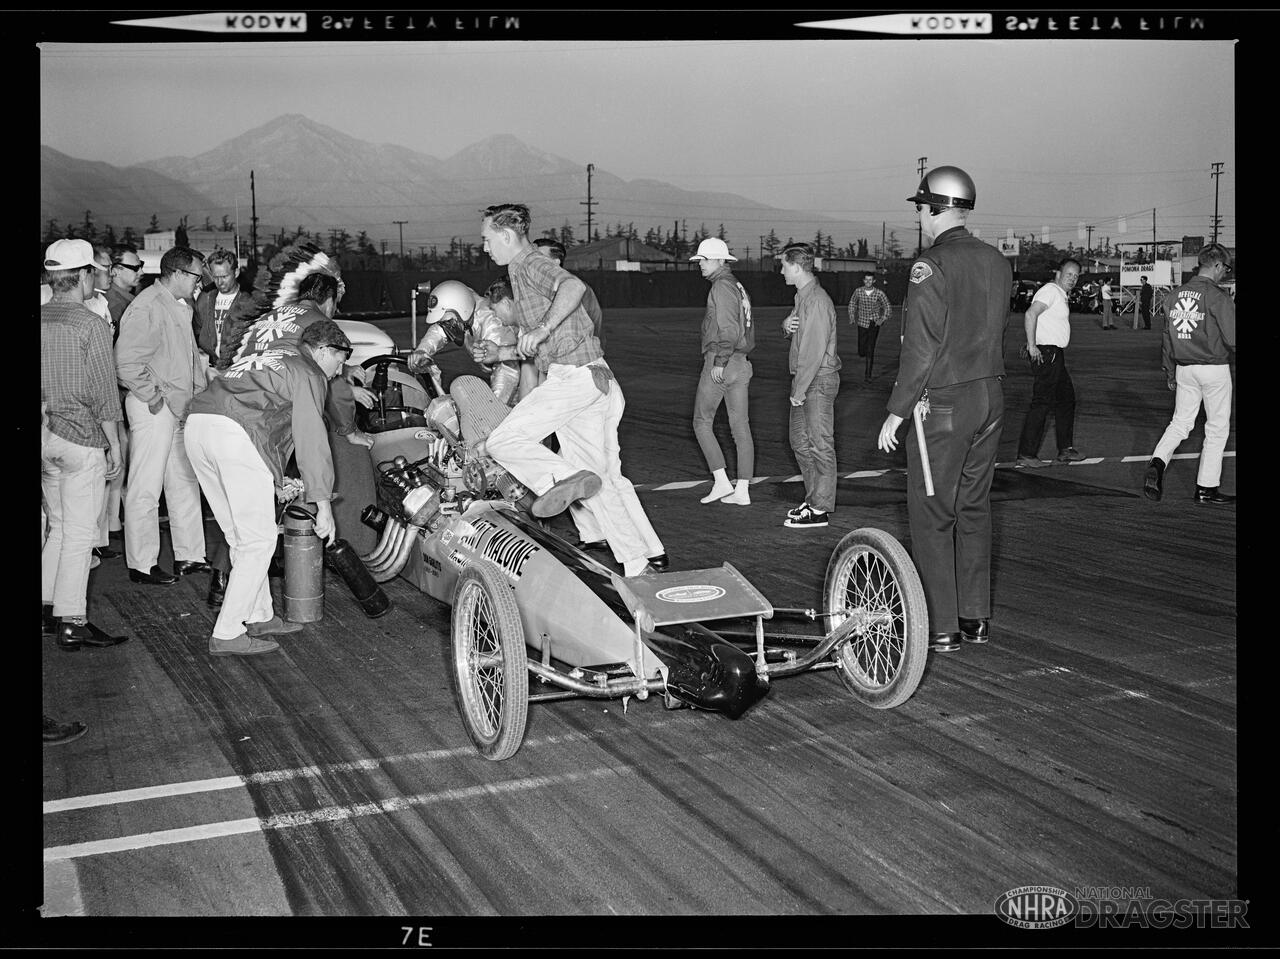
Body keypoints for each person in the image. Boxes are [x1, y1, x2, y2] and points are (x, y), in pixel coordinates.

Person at [477, 202, 661, 578]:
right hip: (593, 377)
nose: (484, 247)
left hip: (575, 379)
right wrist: (505, 351)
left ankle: (558, 478)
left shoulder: (529, 263)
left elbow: (572, 285)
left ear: (506, 235)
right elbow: (554, 341)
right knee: (597, 478)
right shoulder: (520, 270)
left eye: (487, 238)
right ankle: (638, 564)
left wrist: (541, 329)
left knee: (503, 441)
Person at [876, 165, 1011, 654]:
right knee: (974, 506)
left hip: (946, 402)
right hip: (990, 395)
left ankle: (941, 625)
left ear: (937, 209)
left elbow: (921, 346)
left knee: (932, 511)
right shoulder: (997, 261)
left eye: (921, 208)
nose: (919, 216)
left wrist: (898, 409)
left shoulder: (930, 266)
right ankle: (975, 618)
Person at [185, 319, 351, 656]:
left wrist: (274, 479)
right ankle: (227, 632)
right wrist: (323, 505)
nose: (340, 370)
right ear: (320, 351)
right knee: (259, 541)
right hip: (234, 433)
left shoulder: (271, 357)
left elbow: (271, 427)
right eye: (339, 359)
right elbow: (310, 439)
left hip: (197, 426)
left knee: (240, 536)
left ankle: (259, 614)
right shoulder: (309, 372)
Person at [236, 270, 378, 555]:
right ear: (329, 300)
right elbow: (328, 385)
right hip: (272, 416)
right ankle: (290, 554)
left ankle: (222, 575)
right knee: (295, 483)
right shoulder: (320, 322)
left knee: (250, 503)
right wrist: (349, 431)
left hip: (237, 403)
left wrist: (346, 369)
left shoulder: (273, 316)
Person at [40, 239, 129, 651]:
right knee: (79, 533)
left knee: (57, 527)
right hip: (80, 437)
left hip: (44, 436)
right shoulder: (90, 323)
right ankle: (72, 620)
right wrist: (114, 443)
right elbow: (104, 392)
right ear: (83, 276)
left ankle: (47, 607)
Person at [115, 246, 211, 585]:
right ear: (179, 274)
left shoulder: (178, 306)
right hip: (153, 407)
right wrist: (154, 398)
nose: (201, 283)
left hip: (177, 408)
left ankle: (190, 556)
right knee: (145, 486)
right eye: (197, 276)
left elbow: (185, 358)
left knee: (183, 481)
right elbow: (126, 362)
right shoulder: (148, 306)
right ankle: (142, 564)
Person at [1143, 243, 1236, 505]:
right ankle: (1206, 489)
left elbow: (1167, 338)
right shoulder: (1218, 297)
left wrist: (1170, 371)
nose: (1224, 274)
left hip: (1184, 368)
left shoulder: (1173, 296)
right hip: (1214, 369)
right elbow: (1233, 338)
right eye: (1225, 269)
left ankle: (1158, 463)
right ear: (1217, 265)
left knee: (1180, 423)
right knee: (1217, 429)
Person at [779, 242, 841, 529]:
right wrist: (786, 326)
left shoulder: (815, 300)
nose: (781, 271)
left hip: (816, 381)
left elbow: (814, 352)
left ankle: (820, 508)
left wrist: (799, 391)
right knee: (800, 443)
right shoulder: (802, 298)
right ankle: (814, 497)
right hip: (806, 381)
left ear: (796, 267)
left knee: (819, 445)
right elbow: (802, 338)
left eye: (783, 265)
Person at [690, 236, 755, 506]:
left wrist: (719, 361)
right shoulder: (736, 285)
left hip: (723, 360)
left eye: (705, 259)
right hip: (742, 363)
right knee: (740, 427)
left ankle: (721, 482)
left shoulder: (721, 287)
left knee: (701, 422)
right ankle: (742, 490)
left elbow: (729, 329)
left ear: (719, 260)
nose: (701, 264)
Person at [1014, 258, 1086, 468]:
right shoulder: (1051, 291)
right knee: (1042, 402)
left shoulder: (1059, 294)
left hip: (1055, 355)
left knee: (1066, 399)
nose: (1072, 279)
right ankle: (1026, 454)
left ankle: (1065, 450)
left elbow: (1041, 321)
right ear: (1058, 274)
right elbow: (1031, 313)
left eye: (1076, 276)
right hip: (1048, 354)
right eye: (1069, 274)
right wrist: (1031, 345)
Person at [407, 279, 522, 404]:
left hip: (520, 392)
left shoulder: (493, 324)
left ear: (462, 309)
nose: (446, 327)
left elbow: (508, 371)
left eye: (447, 322)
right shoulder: (464, 313)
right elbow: (438, 331)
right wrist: (422, 350)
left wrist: (495, 407)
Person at [533, 237, 605, 350]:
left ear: (556, 263)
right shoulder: (525, 286)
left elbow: (595, 326)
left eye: (539, 259)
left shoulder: (579, 289)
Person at [848, 272, 891, 381]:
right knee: (862, 349)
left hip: (874, 323)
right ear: (863, 280)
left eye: (870, 280)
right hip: (862, 322)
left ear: (874, 281)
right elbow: (852, 303)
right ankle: (862, 352)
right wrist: (852, 316)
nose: (868, 282)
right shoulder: (858, 291)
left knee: (870, 349)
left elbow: (887, 306)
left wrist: (882, 319)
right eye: (866, 280)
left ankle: (868, 376)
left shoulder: (879, 293)